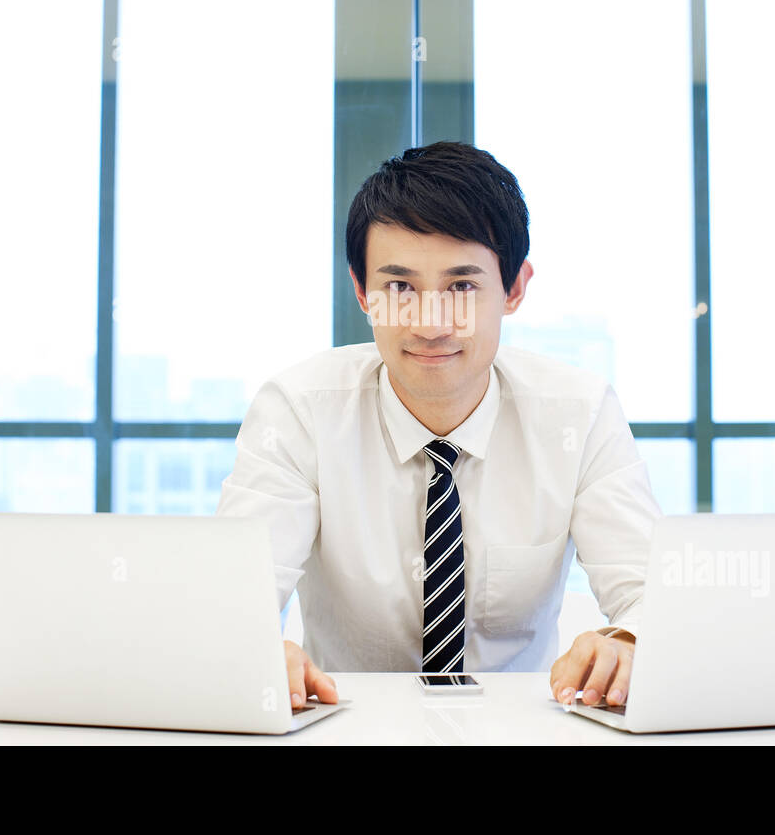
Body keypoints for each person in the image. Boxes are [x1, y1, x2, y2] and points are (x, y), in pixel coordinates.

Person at [214, 140, 663, 713]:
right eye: (400, 288)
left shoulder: (580, 413)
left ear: (515, 289)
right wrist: (251, 649)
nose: (430, 324)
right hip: (344, 728)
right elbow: (234, 603)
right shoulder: (298, 411)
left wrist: (629, 643)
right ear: (362, 292)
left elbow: (655, 600)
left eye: (462, 286)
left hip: (520, 733)